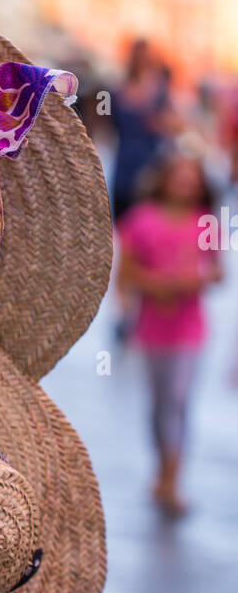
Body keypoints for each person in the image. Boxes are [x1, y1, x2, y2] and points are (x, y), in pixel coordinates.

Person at [117, 146, 222, 515]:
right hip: (152, 329)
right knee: (159, 405)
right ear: (164, 179)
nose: (185, 185)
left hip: (190, 331)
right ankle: (162, 466)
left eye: (191, 180)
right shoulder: (141, 220)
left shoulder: (205, 221)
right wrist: (152, 287)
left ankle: (172, 480)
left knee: (178, 400)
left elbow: (218, 272)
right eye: (179, 177)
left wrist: (195, 278)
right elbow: (125, 275)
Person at [110, 40, 176, 222]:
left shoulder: (159, 89)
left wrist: (159, 123)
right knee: (123, 216)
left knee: (147, 215)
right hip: (125, 162)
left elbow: (172, 123)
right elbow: (108, 120)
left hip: (150, 162)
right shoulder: (118, 89)